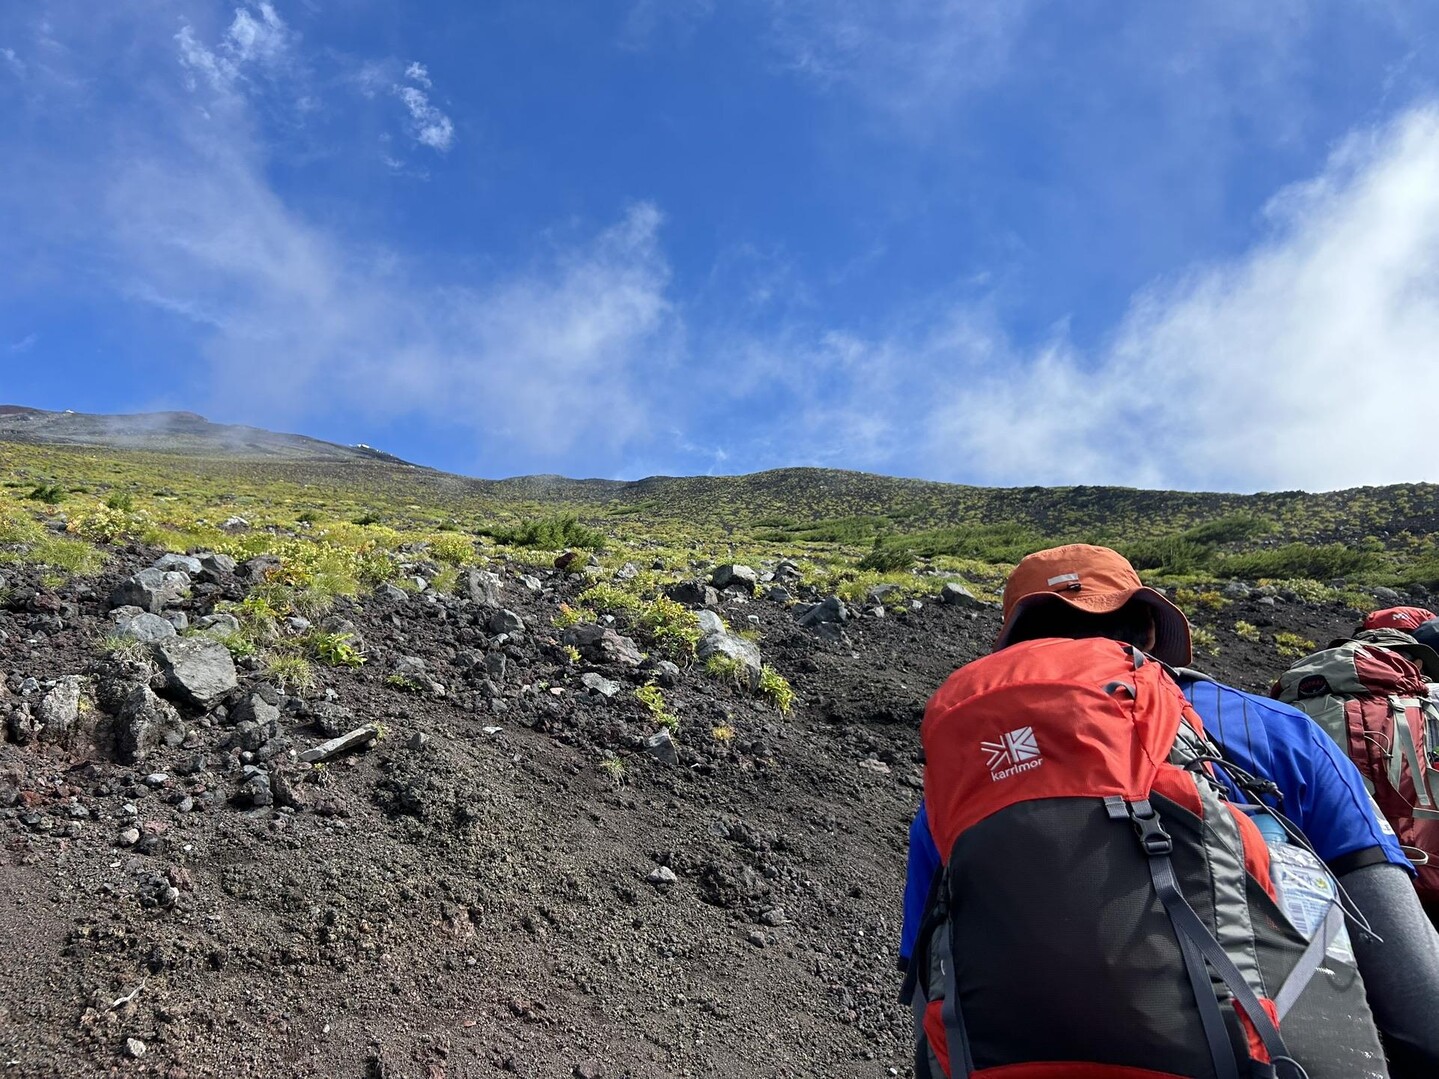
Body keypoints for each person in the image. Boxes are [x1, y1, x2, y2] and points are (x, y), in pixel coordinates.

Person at [902, 544, 1439, 1076]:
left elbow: (931, 983)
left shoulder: (954, 785)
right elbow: (1415, 997)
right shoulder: (1279, 732)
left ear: (1013, 648)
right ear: (1152, 632)